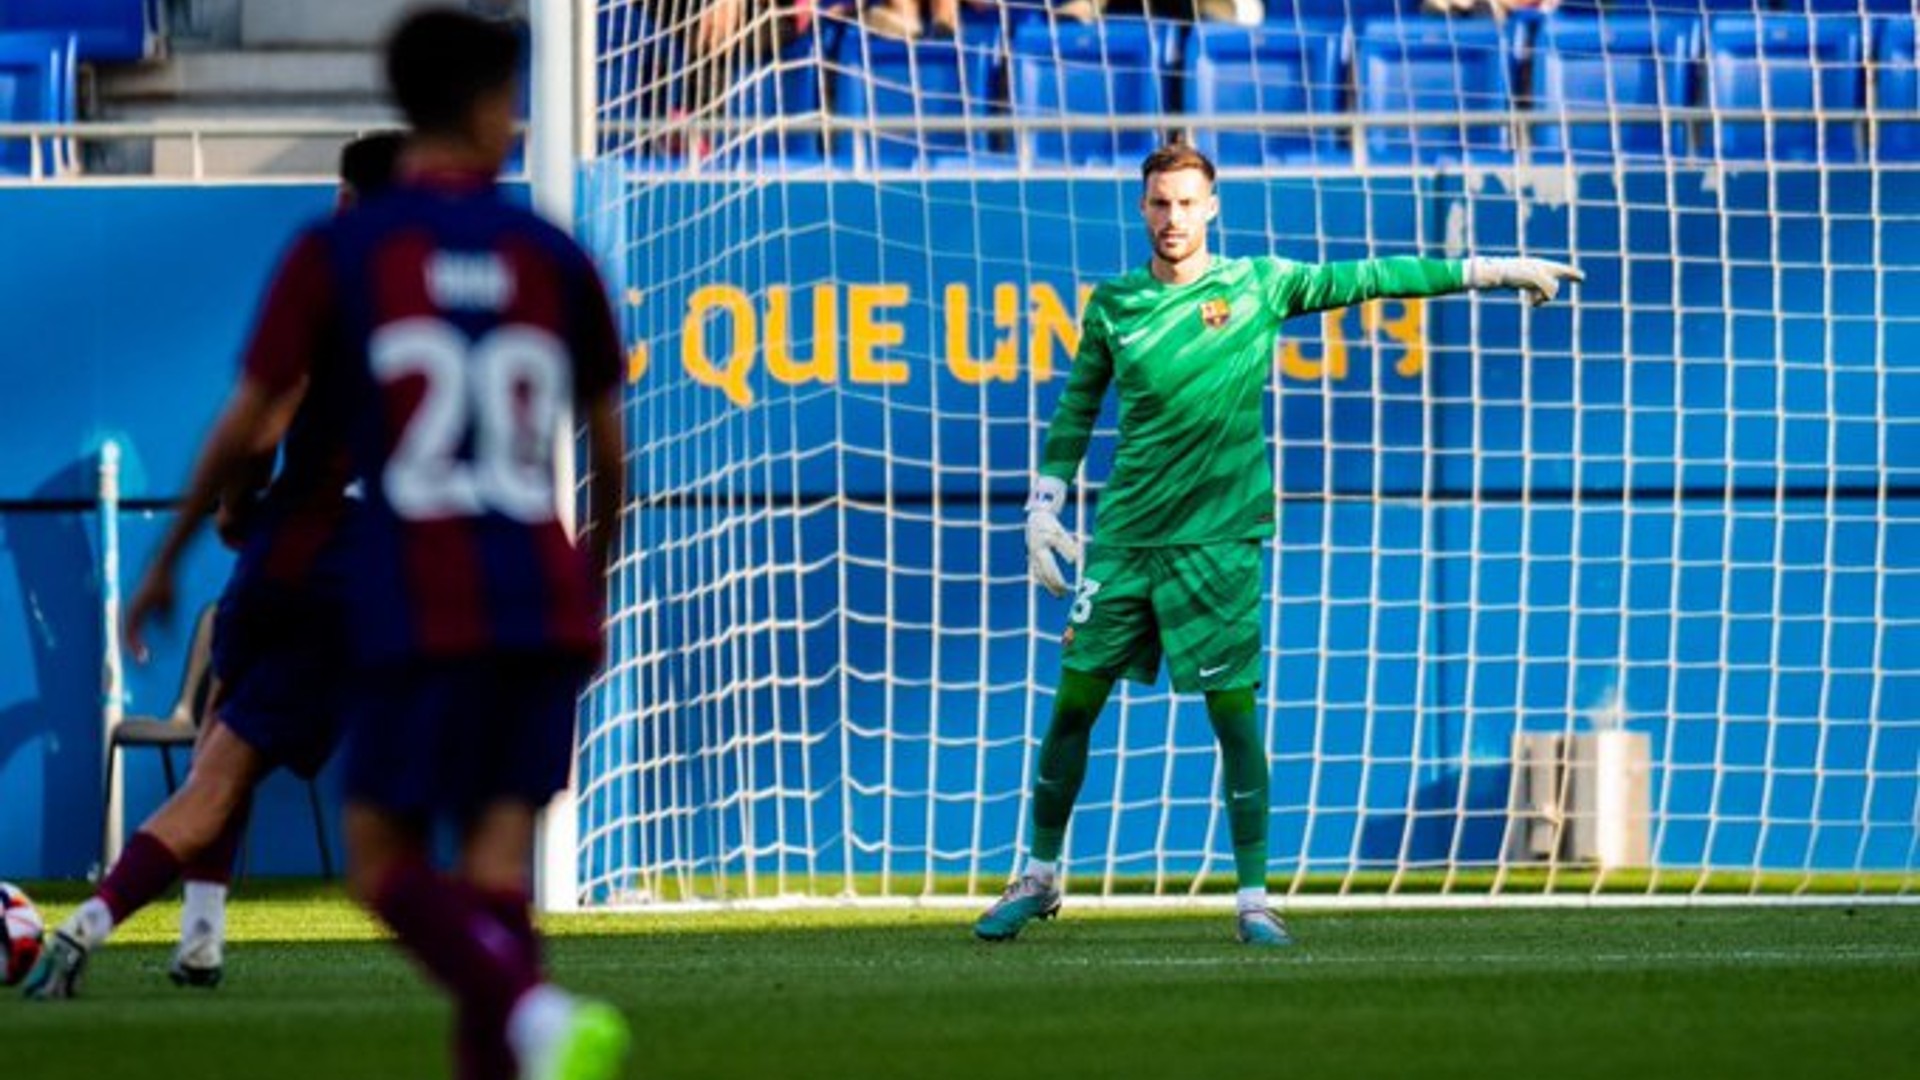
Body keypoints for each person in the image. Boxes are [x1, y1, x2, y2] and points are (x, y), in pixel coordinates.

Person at [64, 10, 629, 1080]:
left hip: (425, 592)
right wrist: (592, 580)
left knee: (383, 865)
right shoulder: (554, 250)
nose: (515, 118)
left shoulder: (346, 250)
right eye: (508, 98)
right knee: (499, 876)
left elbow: (247, 422)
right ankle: (520, 1036)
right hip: (541, 595)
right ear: (477, 107)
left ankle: (536, 1015)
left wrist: (169, 556)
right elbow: (611, 454)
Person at [974, 141, 1580, 946]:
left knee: (1234, 720)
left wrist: (1492, 270)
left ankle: (1254, 899)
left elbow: (1372, 276)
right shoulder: (1114, 303)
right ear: (1141, 207)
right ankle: (1041, 878)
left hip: (1219, 544)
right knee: (1072, 710)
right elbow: (1079, 406)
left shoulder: (1257, 284)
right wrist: (1044, 507)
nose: (1173, 219)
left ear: (1212, 207)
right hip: (1122, 540)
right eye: (1159, 203)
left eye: (1187, 203)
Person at [22, 130, 407, 1001]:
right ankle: (141, 935)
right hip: (363, 568)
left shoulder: (329, 295)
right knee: (225, 753)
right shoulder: (438, 310)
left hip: (296, 553)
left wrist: (235, 507)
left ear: (347, 203)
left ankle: (145, 936)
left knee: (222, 753)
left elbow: (262, 427)